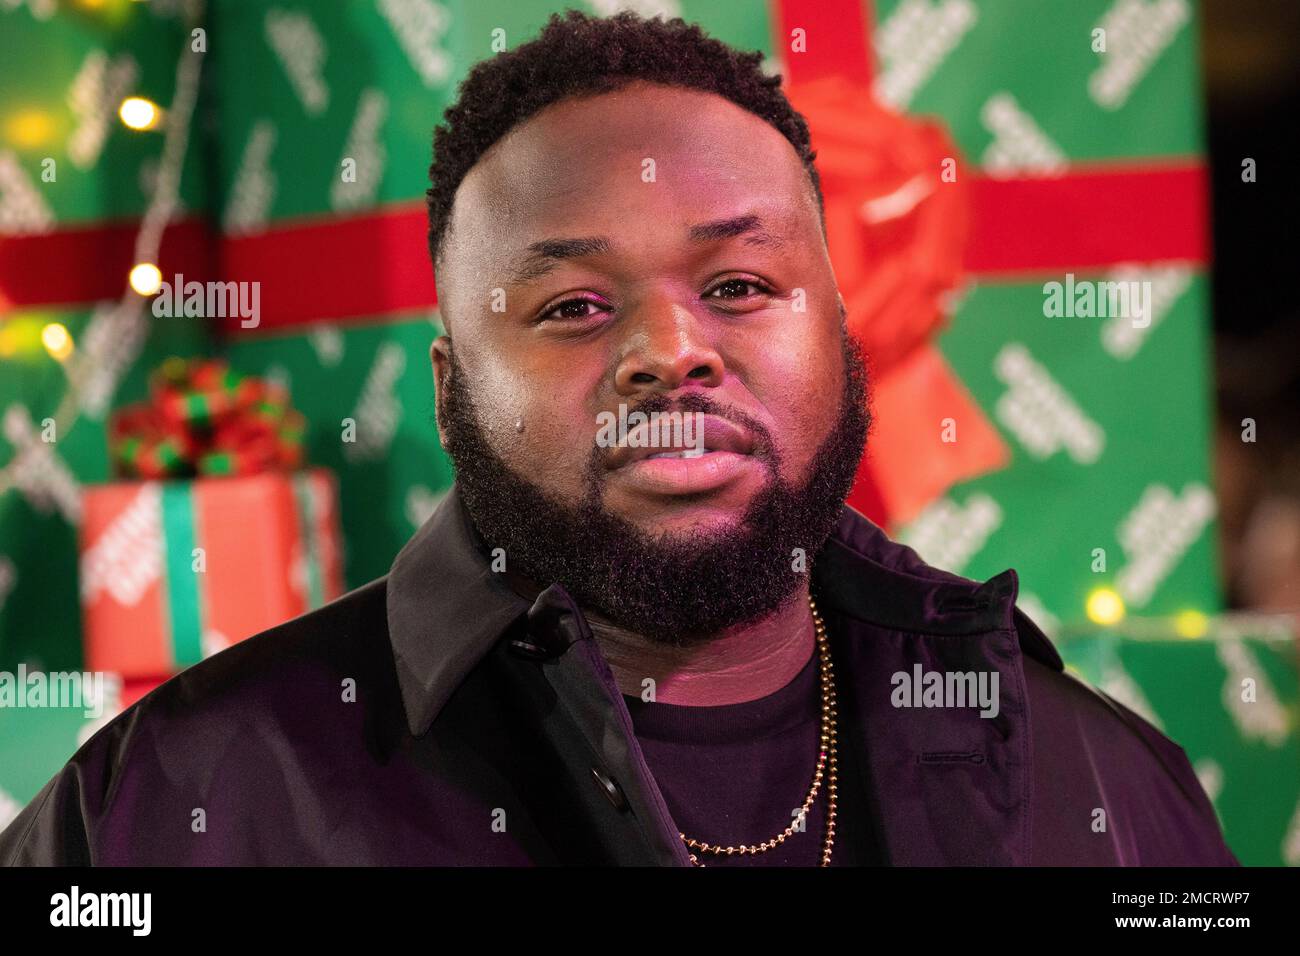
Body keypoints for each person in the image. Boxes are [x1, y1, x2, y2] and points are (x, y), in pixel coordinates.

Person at [1, 10, 1235, 866]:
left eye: (741, 285)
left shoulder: (1096, 778)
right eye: (574, 307)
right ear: (451, 387)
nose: (670, 349)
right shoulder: (178, 798)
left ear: (844, 337)